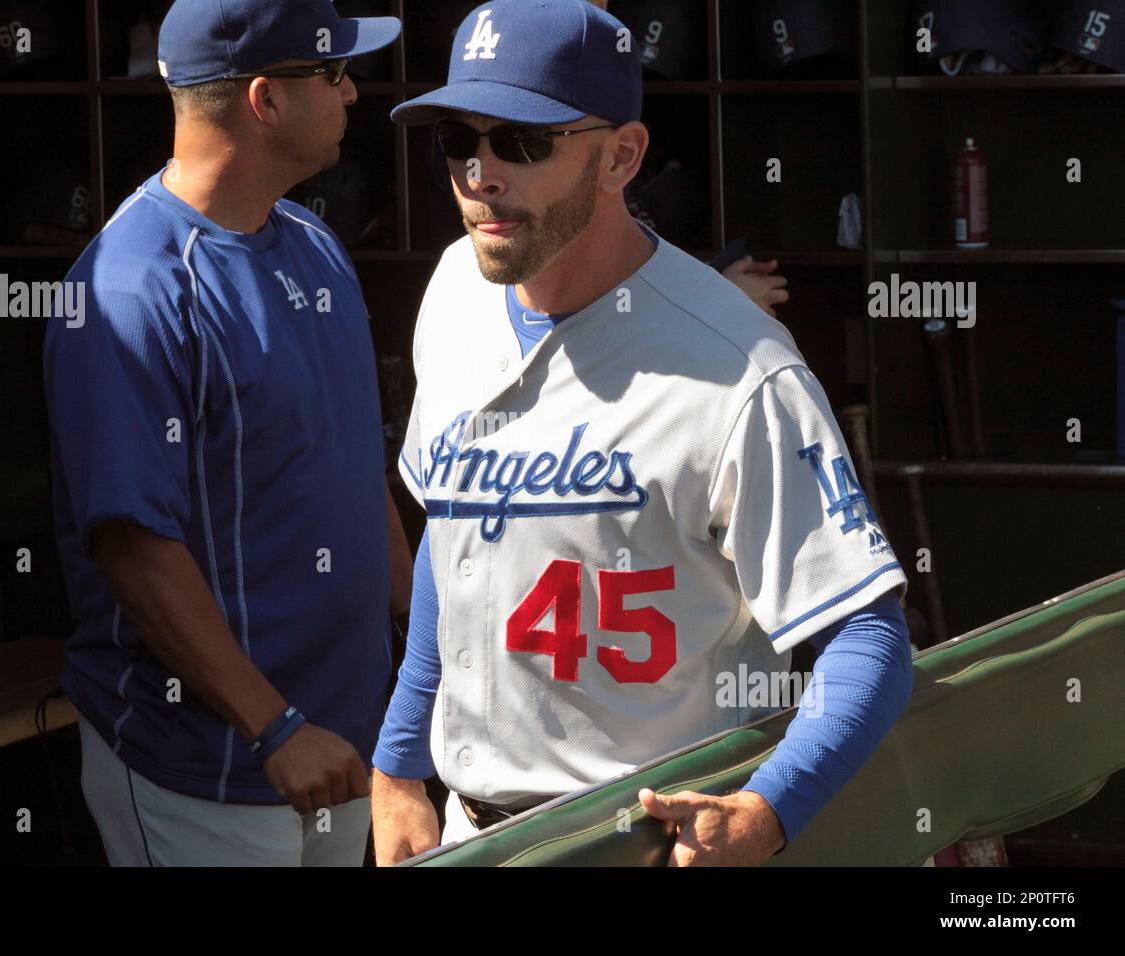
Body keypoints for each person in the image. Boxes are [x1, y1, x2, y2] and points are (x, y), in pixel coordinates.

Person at [370, 0, 913, 867]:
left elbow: (866, 638)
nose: (479, 173)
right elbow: (453, 526)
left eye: (521, 141)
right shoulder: (453, 291)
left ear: (621, 155)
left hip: (644, 839)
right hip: (471, 834)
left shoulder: (740, 368)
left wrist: (769, 812)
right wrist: (399, 766)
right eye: (458, 142)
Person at [43, 0, 409, 867]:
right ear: (265, 101)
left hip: (344, 749)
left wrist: (426, 653)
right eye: (332, 73)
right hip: (210, 766)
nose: (354, 92)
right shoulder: (128, 290)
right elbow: (133, 545)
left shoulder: (314, 245)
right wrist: (274, 726)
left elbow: (360, 476)